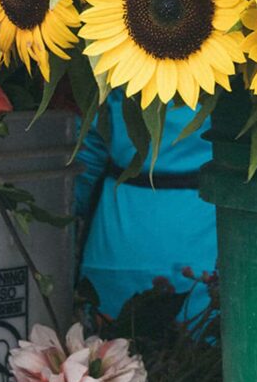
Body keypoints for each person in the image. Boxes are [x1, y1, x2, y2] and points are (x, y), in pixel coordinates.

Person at [75, 89, 216, 319]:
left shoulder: (111, 58)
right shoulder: (248, 60)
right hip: (210, 235)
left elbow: (86, 153)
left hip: (120, 237)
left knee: (108, 349)